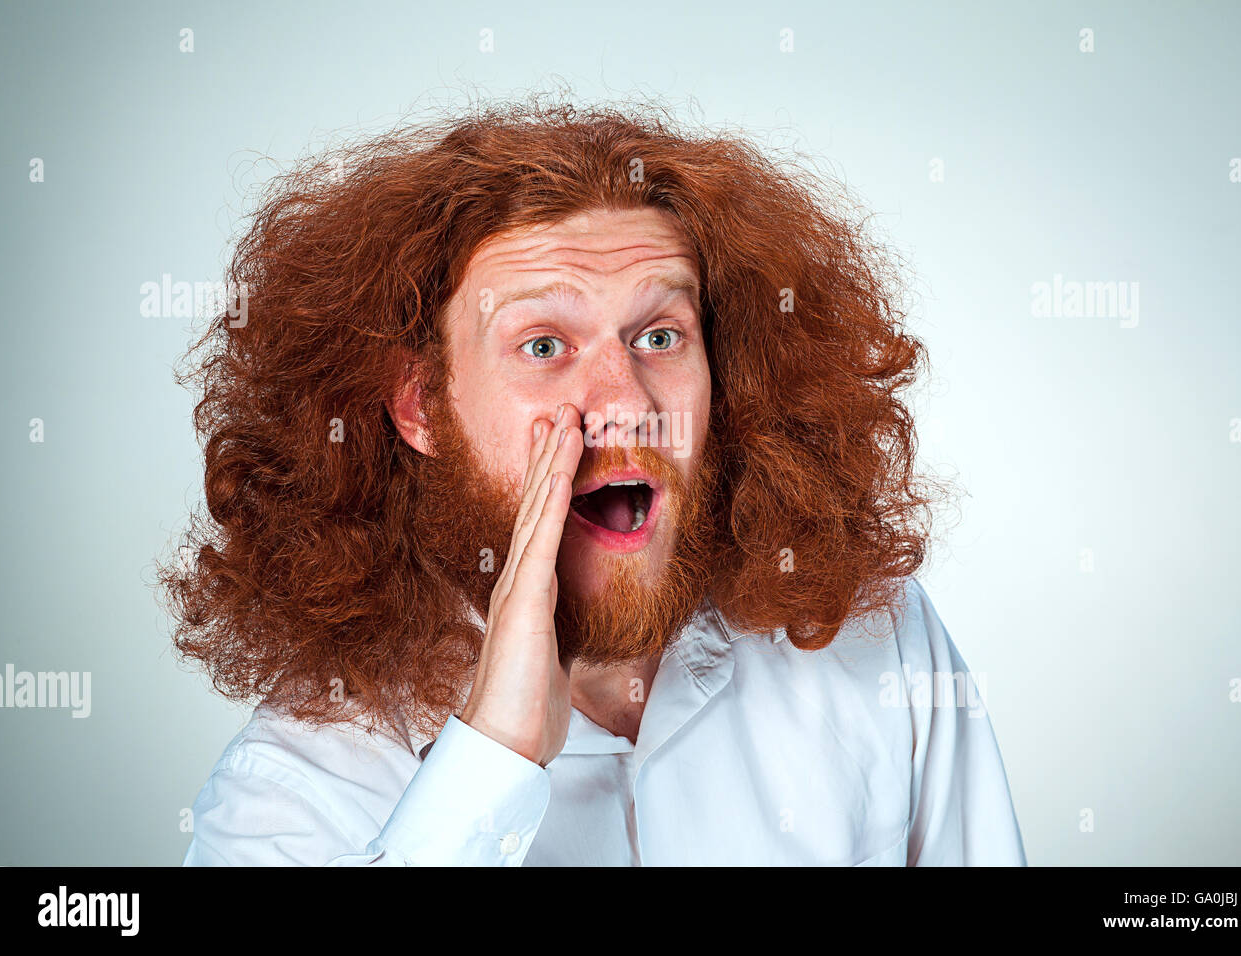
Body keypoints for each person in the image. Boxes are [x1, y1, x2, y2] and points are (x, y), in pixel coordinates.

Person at [163, 98, 1026, 865]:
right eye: (544, 346)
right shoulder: (295, 789)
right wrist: (495, 753)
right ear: (421, 405)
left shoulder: (874, 636)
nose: (624, 404)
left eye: (658, 336)